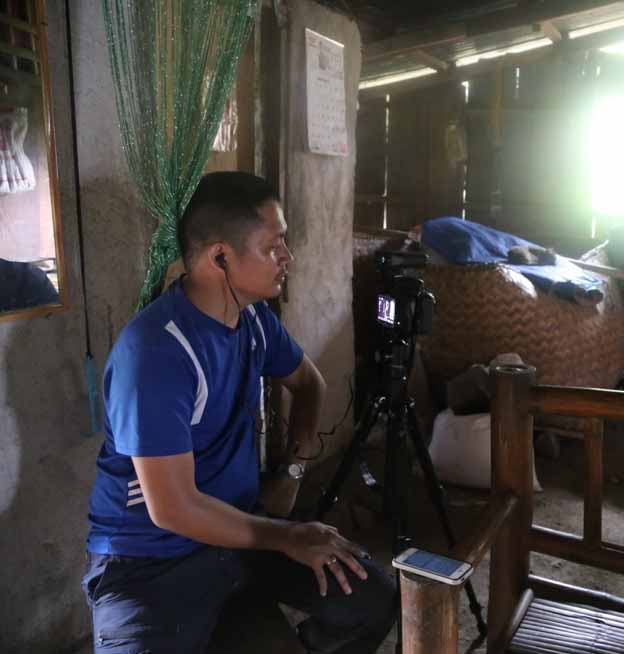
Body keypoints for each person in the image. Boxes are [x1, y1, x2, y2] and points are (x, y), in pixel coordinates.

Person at [82, 172, 396, 653]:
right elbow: (173, 508)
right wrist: (284, 536)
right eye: (274, 246)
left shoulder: (253, 322)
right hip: (147, 564)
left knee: (374, 598)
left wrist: (292, 472)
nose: (287, 257)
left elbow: (309, 383)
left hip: (239, 534)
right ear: (220, 258)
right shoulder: (157, 354)